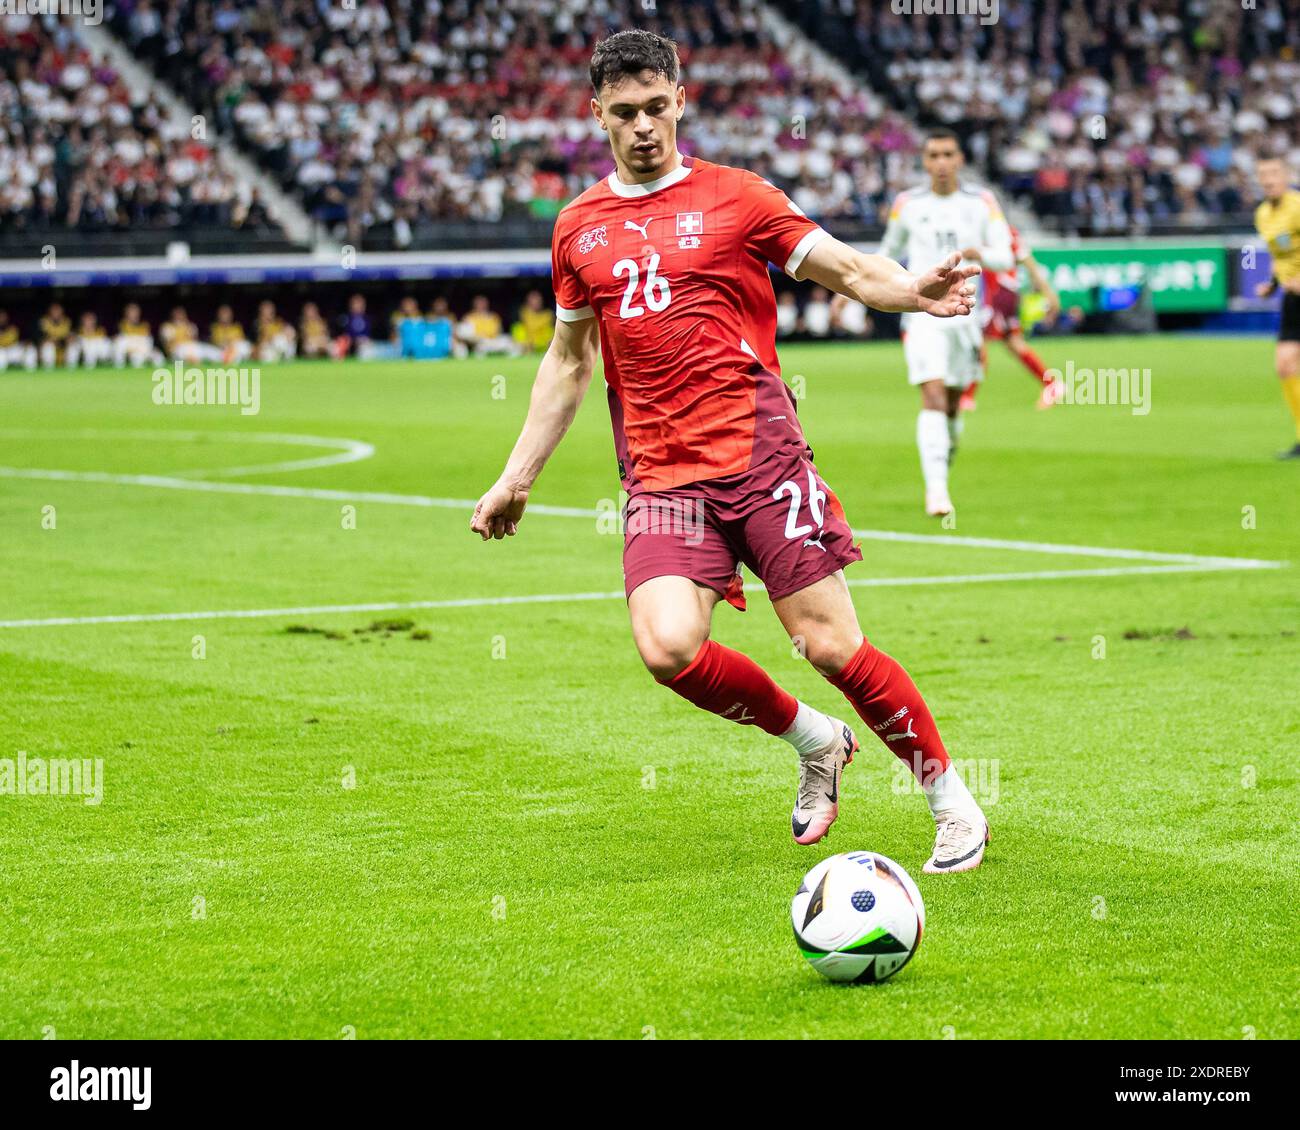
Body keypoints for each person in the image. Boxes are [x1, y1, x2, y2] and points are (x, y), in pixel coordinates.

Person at [471, 30, 990, 875]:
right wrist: (515, 478)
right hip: (661, 474)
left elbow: (848, 269)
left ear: (682, 100)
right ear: (595, 113)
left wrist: (910, 292)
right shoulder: (576, 228)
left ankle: (951, 801)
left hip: (761, 456)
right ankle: (815, 739)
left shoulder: (739, 197)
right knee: (667, 647)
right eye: (625, 112)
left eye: (656, 108)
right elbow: (568, 361)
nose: (643, 126)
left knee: (831, 647)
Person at [879, 129, 1013, 517]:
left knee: (954, 403)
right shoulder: (907, 203)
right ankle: (936, 490)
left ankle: (942, 467)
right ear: (924, 161)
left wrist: (978, 252)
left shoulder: (981, 202)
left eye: (947, 154)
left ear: (960, 160)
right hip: (922, 314)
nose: (940, 162)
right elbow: (889, 251)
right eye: (933, 155)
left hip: (967, 312)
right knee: (933, 394)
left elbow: (1006, 255)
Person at [963, 225, 1062, 411]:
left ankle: (967, 397)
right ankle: (1051, 384)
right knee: (1011, 342)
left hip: (1000, 293)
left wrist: (1048, 292)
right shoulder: (983, 225)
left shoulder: (1001, 230)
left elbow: (1027, 260)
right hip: (995, 292)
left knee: (982, 341)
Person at [1253, 155, 1300, 459]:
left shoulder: (1297, 206)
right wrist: (1271, 283)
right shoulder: (1263, 214)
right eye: (1262, 174)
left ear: (1285, 175)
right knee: (1285, 364)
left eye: (1273, 172)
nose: (1268, 179)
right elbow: (1279, 255)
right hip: (1293, 296)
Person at [113, 303, 158, 368]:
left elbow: (148, 341)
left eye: (135, 311)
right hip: (129, 351)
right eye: (131, 311)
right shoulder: (121, 325)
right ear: (126, 313)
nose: (133, 314)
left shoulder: (144, 325)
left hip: (142, 350)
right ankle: (119, 366)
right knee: (136, 359)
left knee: (158, 358)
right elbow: (118, 342)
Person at [38, 303, 73, 369]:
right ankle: (48, 368)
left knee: (73, 345)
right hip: (49, 350)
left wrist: (62, 341)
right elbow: (41, 338)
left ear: (62, 311)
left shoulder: (67, 321)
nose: (56, 312)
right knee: (48, 345)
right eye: (54, 310)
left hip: (63, 348)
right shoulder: (44, 321)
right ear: (50, 311)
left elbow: (69, 337)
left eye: (58, 310)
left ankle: (71, 368)